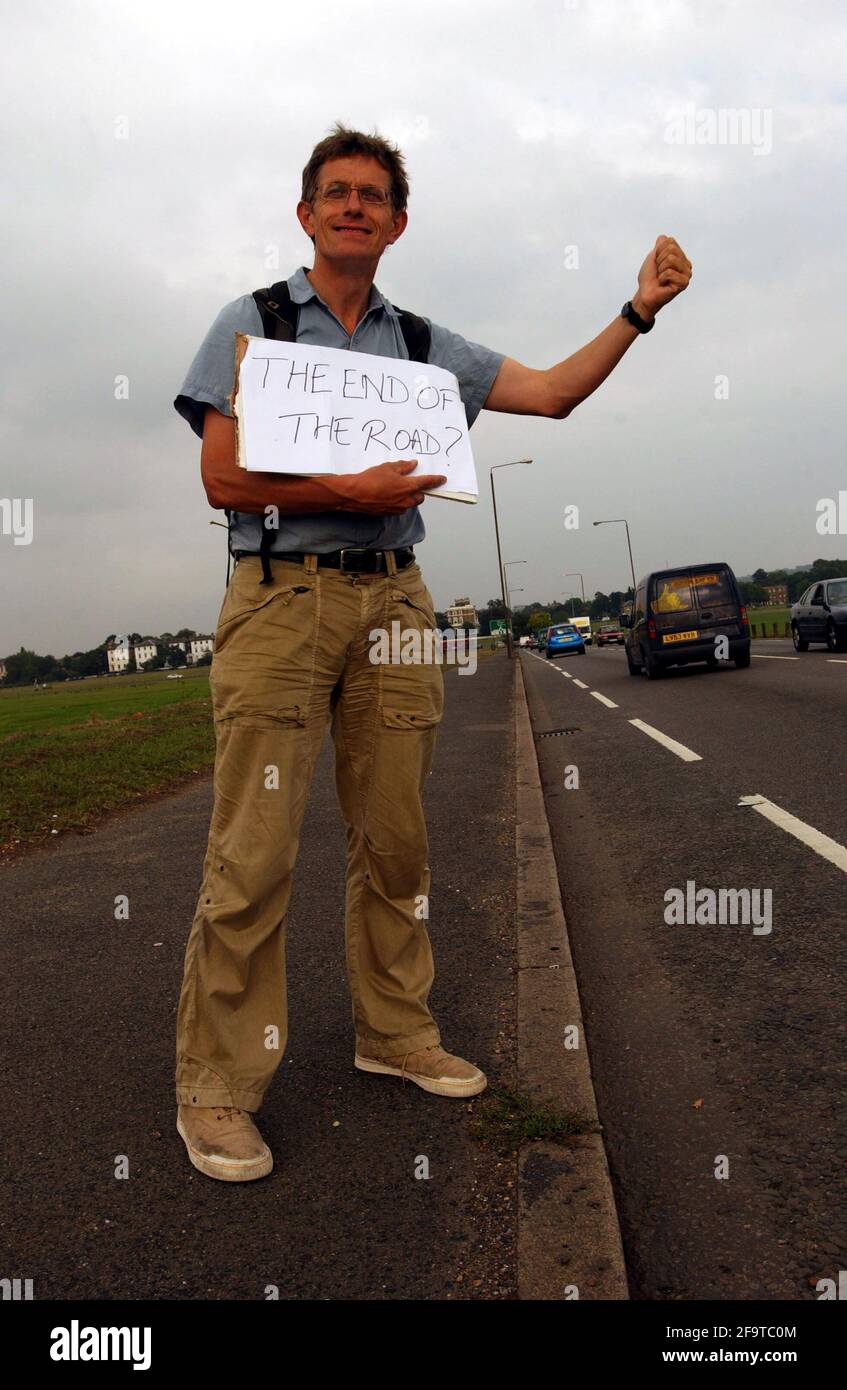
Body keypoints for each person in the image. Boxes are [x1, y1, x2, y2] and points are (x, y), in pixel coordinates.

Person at [173, 122, 692, 1182]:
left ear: (396, 222)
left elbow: (549, 392)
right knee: (254, 850)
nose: (353, 205)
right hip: (281, 597)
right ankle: (216, 1090)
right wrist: (344, 493)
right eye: (335, 191)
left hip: (398, 602)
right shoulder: (255, 322)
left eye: (372, 194)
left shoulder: (421, 345)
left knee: (397, 842)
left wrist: (639, 310)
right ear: (306, 212)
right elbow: (223, 480)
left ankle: (393, 1030)